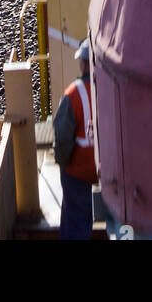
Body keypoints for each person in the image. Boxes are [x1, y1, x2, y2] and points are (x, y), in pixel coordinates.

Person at [53, 39, 97, 240]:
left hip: (79, 168)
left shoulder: (73, 93)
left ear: (84, 63)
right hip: (110, 168)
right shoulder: (113, 88)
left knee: (75, 216)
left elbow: (62, 137)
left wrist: (63, 162)